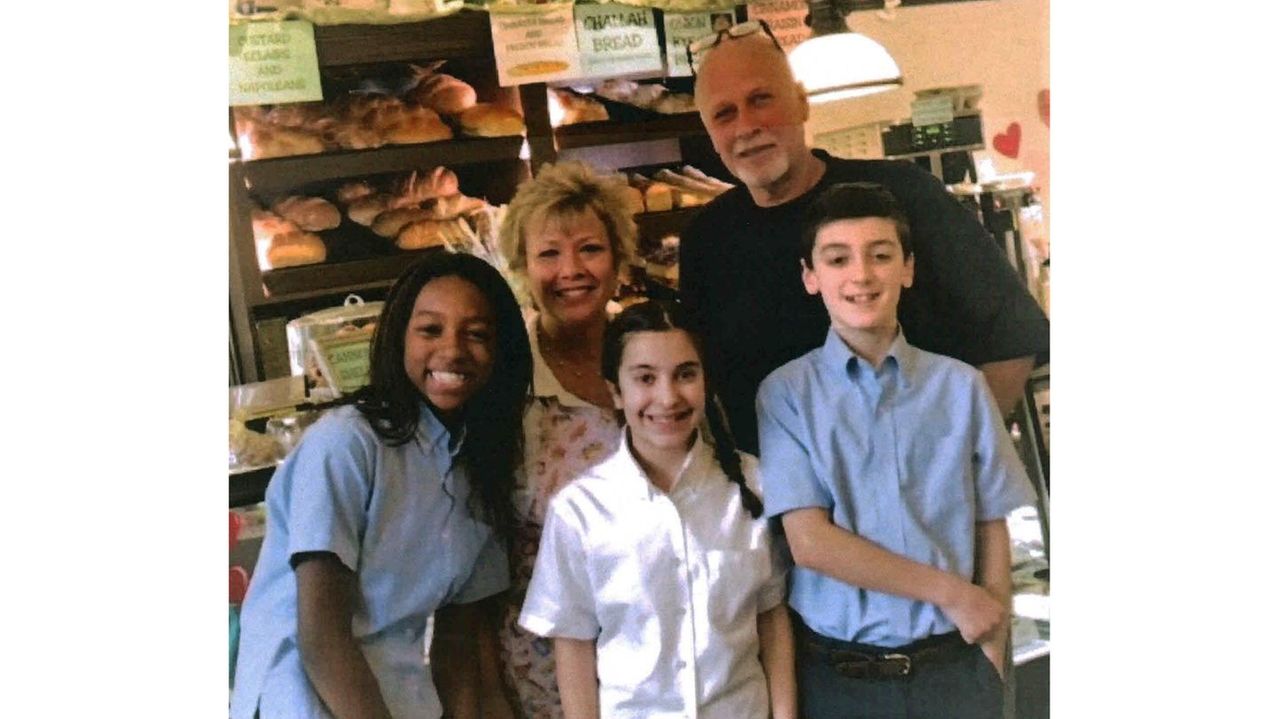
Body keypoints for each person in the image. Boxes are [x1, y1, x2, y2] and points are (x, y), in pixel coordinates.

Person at [681, 22, 1049, 454]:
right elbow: (700, 387)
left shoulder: (904, 195)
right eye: (725, 113)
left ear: (801, 103)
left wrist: (951, 462)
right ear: (709, 131)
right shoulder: (707, 241)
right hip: (785, 508)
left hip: (927, 503)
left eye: (761, 99)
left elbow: (1013, 337)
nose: (746, 126)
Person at [755, 183, 1036, 718]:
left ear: (907, 268)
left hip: (954, 673)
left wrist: (994, 657)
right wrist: (954, 594)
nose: (861, 275)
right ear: (810, 277)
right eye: (837, 259)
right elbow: (811, 543)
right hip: (842, 680)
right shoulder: (786, 394)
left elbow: (989, 523)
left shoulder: (961, 388)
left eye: (880, 255)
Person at [230, 252, 530, 719]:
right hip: (302, 696)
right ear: (397, 338)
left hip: (398, 696)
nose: (452, 349)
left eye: (476, 334)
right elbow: (321, 637)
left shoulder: (479, 464)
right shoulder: (346, 443)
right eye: (430, 330)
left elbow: (458, 644)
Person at [519, 300, 796, 719]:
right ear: (615, 390)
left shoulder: (755, 485)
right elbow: (573, 645)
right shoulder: (579, 511)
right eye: (645, 378)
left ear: (706, 381)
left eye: (685, 374)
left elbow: (772, 616)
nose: (667, 397)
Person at [494, 161, 639, 719]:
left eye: (589, 249)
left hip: (670, 657)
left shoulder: (660, 352)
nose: (571, 270)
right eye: (549, 254)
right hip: (547, 671)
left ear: (618, 258)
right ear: (523, 268)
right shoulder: (505, 381)